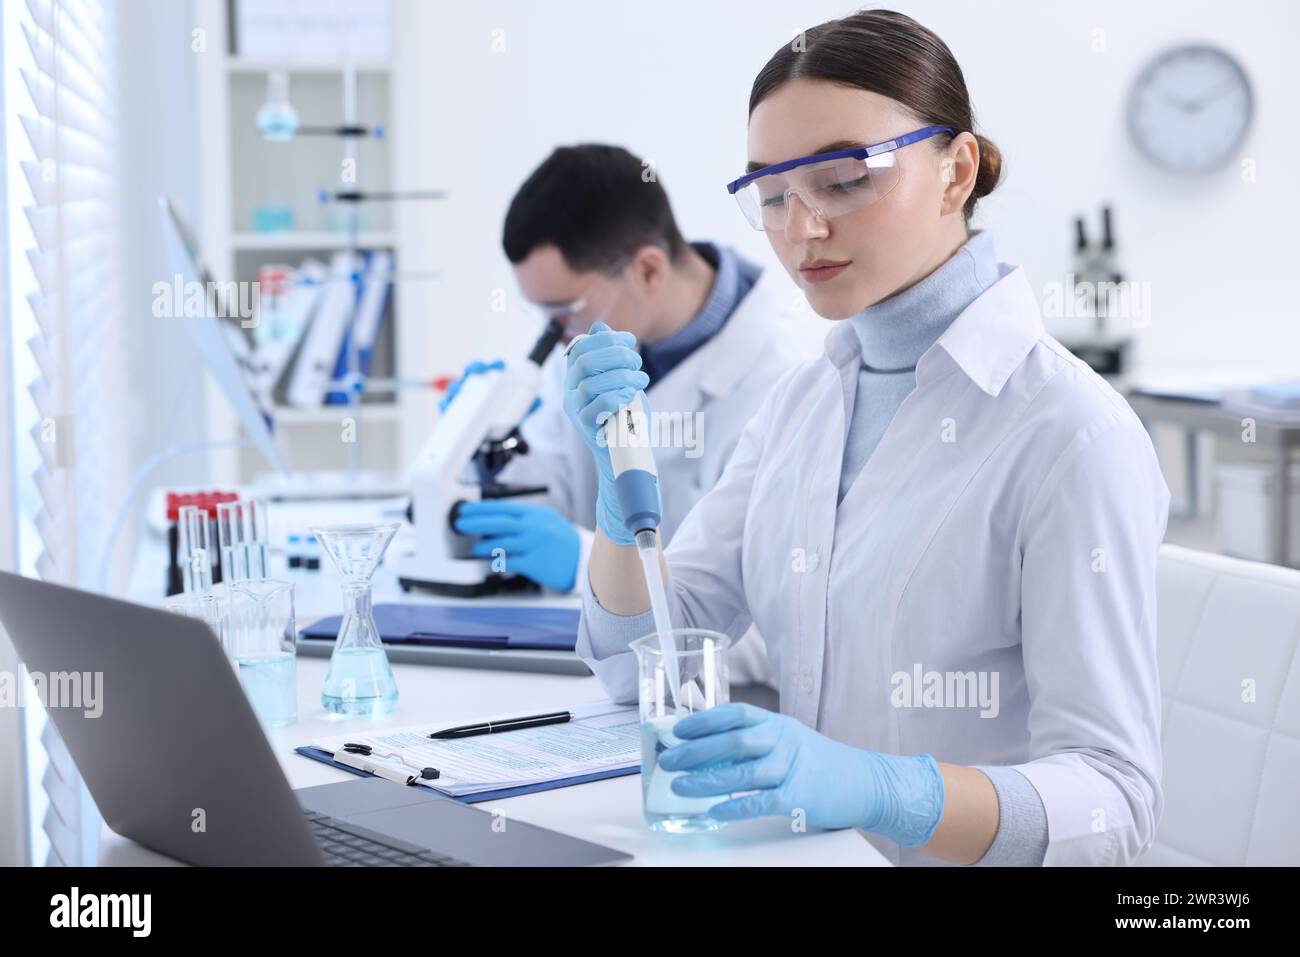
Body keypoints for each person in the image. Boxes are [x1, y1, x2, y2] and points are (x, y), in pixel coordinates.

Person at [564, 9, 1169, 866]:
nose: (801, 229)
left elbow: (1113, 804)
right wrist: (619, 505)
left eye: (847, 179)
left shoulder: (1073, 434)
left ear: (958, 170)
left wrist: (891, 789)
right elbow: (640, 667)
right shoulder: (801, 405)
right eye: (771, 195)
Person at [446, 144, 821, 685]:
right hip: (595, 681)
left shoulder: (784, 373)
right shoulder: (597, 348)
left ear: (648, 268)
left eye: (563, 312)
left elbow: (773, 633)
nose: (556, 336)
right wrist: (475, 442)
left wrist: (583, 562)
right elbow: (556, 485)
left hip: (709, 713)